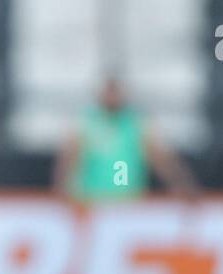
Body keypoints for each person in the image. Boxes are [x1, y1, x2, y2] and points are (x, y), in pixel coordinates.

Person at [52, 74, 198, 201]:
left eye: (115, 92)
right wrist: (60, 190)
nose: (112, 97)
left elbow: (160, 158)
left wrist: (181, 184)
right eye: (108, 92)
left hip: (128, 201)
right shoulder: (86, 123)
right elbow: (69, 159)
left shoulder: (136, 122)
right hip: (90, 202)